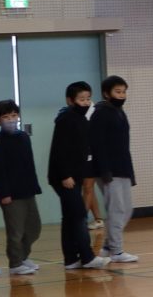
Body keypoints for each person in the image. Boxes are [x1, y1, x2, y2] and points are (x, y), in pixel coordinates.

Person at [49, 82, 101, 271]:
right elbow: (59, 150)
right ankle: (87, 257)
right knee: (79, 215)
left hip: (75, 176)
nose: (86, 102)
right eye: (81, 99)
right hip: (64, 177)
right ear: (70, 101)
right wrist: (65, 175)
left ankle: (71, 259)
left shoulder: (83, 119)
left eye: (88, 98)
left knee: (70, 217)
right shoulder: (65, 119)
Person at [0, 101, 42, 276]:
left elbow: (29, 164)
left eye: (13, 115)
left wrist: (34, 186)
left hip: (28, 190)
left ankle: (24, 256)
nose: (11, 119)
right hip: (11, 195)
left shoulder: (23, 137)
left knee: (34, 227)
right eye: (6, 117)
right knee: (16, 231)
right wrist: (4, 194)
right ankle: (15, 263)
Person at [87, 75, 138, 264]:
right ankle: (116, 251)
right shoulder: (101, 113)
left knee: (127, 210)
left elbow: (123, 146)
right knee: (117, 209)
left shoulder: (119, 112)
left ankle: (109, 246)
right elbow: (97, 144)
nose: (122, 95)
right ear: (107, 94)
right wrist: (105, 170)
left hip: (122, 168)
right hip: (109, 170)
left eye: (124, 92)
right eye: (118, 92)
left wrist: (130, 173)